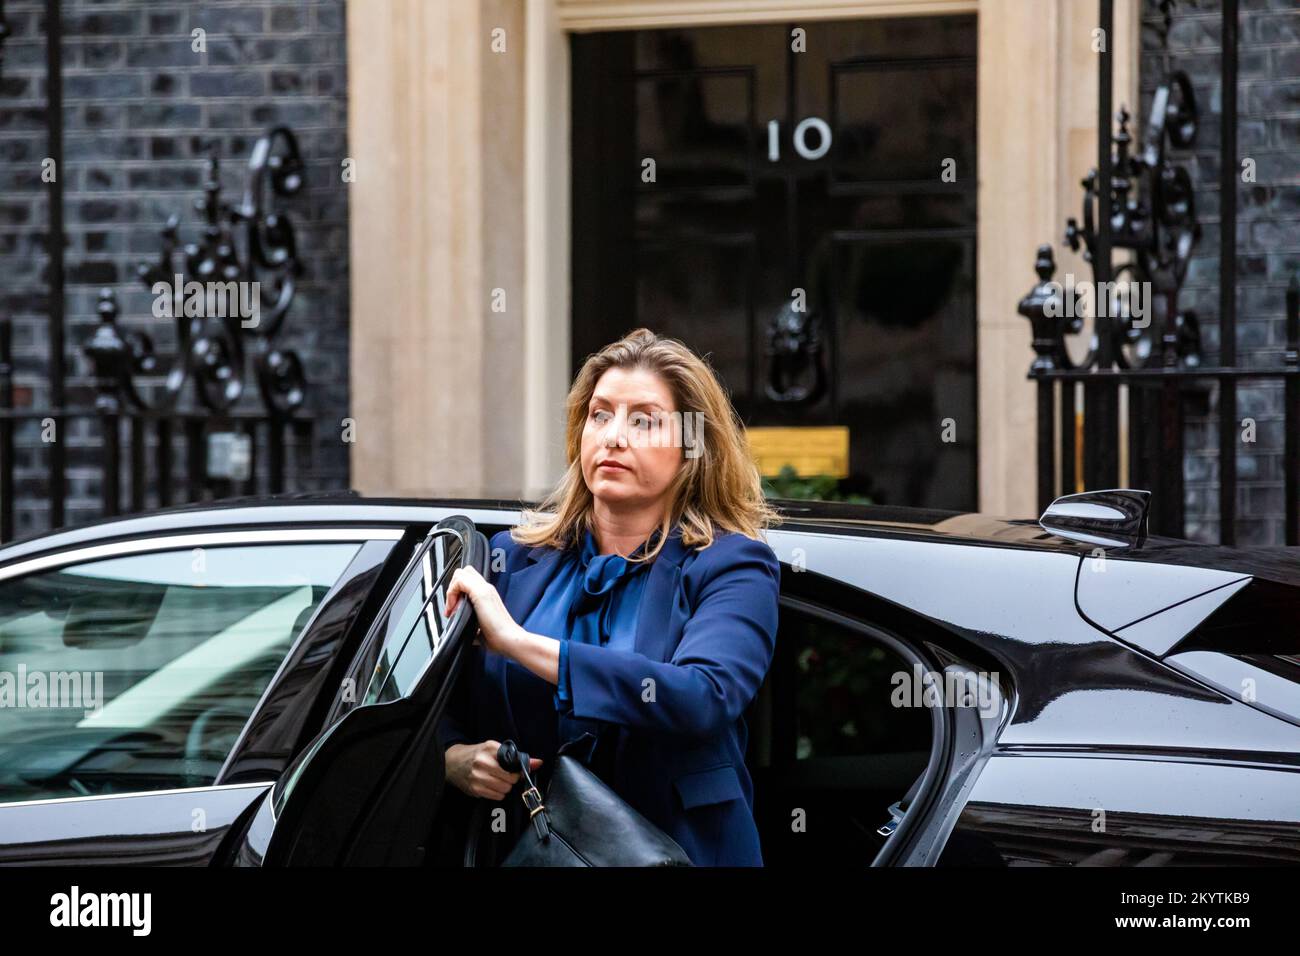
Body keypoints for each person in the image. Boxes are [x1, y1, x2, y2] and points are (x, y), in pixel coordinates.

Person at [440, 328, 782, 866]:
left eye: (644, 420)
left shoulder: (732, 565)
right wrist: (452, 758)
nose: (614, 436)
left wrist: (519, 643)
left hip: (677, 854)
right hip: (530, 856)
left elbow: (702, 697)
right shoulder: (510, 558)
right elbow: (435, 701)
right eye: (600, 415)